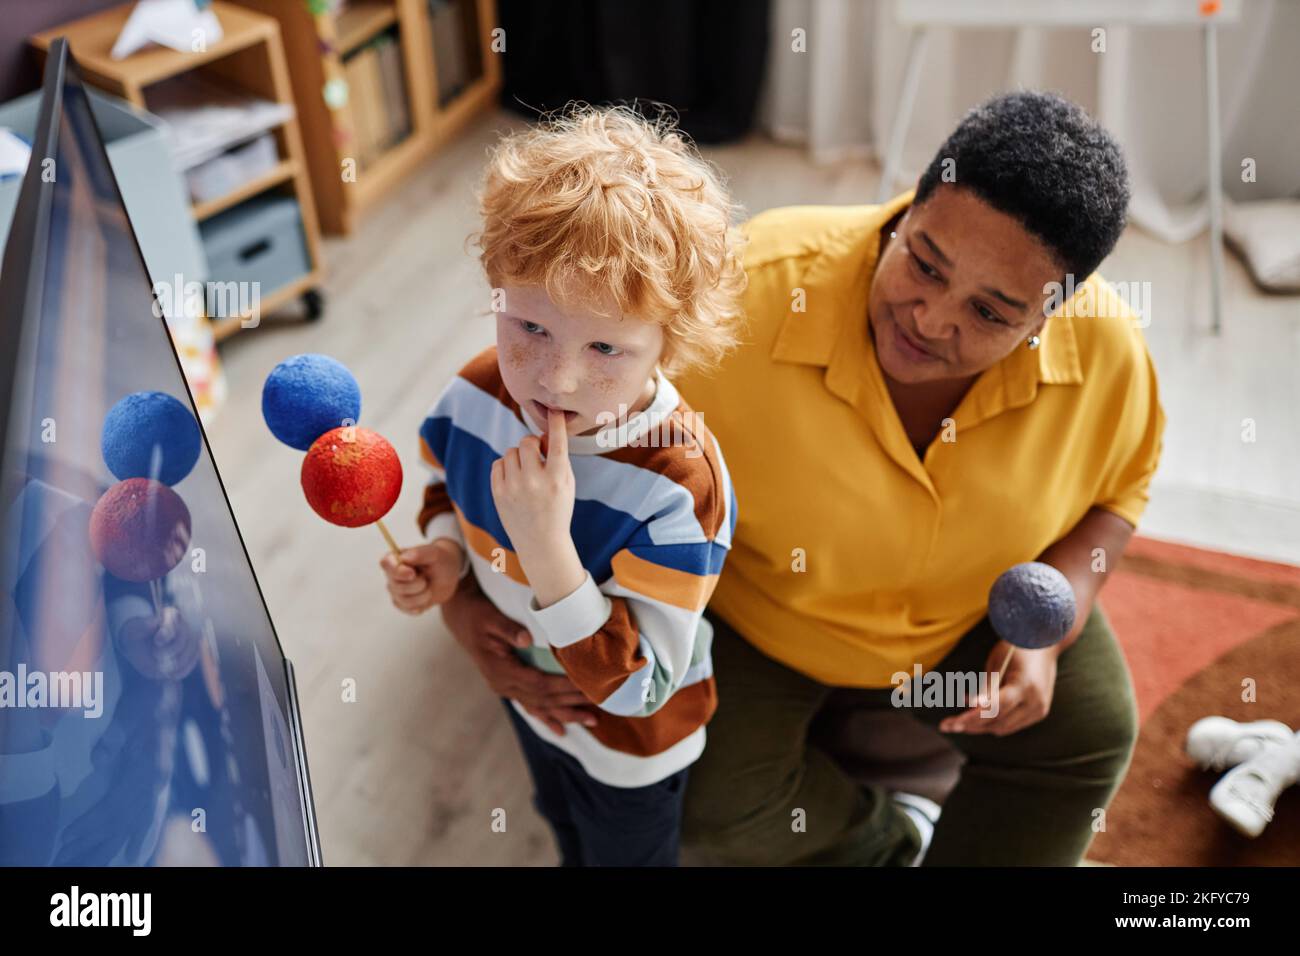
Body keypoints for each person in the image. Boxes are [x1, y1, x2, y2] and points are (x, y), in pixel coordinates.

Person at [670, 90, 1166, 866]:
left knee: (1091, 737)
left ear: (1050, 316)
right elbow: (567, 415)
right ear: (907, 209)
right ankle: (892, 841)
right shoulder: (743, 289)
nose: (931, 320)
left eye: (992, 314)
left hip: (970, 618)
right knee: (709, 808)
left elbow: (1117, 498)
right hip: (758, 618)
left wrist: (1050, 630)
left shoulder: (1110, 351)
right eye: (924, 262)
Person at [379, 106, 745, 866]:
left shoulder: (681, 485)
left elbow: (642, 686)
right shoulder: (481, 391)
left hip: (630, 746)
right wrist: (448, 558)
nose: (556, 378)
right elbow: (447, 488)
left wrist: (547, 550)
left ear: (668, 348)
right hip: (529, 698)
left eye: (606, 345)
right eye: (529, 328)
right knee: (556, 816)